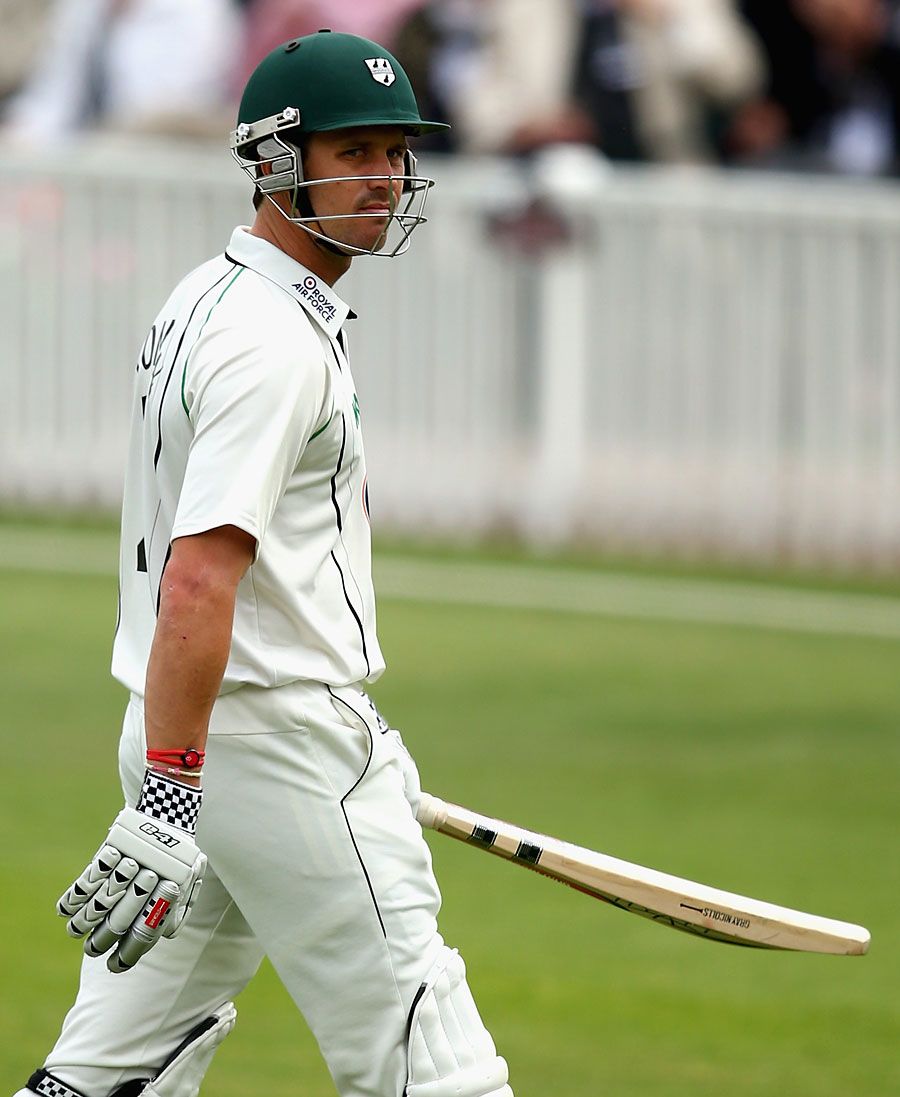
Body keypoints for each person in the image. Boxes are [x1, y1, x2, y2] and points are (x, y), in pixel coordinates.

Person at [14, 30, 514, 1097]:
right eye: (355, 152)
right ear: (275, 161)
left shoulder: (211, 297)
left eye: (396, 152)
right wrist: (176, 796)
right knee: (432, 1066)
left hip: (186, 736)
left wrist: (173, 780)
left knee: (109, 1073)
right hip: (268, 737)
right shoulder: (269, 341)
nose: (386, 178)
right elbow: (199, 575)